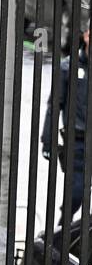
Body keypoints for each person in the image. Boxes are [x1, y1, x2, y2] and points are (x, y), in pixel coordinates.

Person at [43, 25, 91, 222]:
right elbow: (55, 104)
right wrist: (47, 139)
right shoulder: (68, 67)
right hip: (77, 141)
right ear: (87, 36)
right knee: (76, 194)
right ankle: (61, 237)